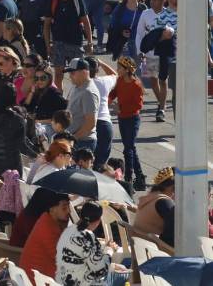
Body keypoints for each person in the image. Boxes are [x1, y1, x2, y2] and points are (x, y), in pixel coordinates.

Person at [55, 201, 123, 286]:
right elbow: (101, 272)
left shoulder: (68, 231)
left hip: (65, 280)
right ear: (98, 221)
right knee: (123, 276)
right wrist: (109, 250)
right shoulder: (88, 236)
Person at [44, 0, 94, 90]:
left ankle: (79, 98)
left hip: (75, 43)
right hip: (58, 44)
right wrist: (48, 45)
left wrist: (90, 42)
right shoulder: (53, 2)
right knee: (58, 75)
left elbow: (86, 22)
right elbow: (46, 25)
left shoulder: (78, 1)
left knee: (79, 75)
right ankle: (59, 100)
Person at [109, 55, 146, 190]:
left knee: (128, 149)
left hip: (132, 119)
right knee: (130, 147)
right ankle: (140, 177)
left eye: (119, 67)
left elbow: (138, 106)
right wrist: (108, 100)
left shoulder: (136, 85)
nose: (117, 69)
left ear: (127, 70)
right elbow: (114, 92)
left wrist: (120, 108)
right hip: (122, 118)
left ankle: (128, 178)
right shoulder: (119, 80)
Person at [18, 190, 71, 280]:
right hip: (35, 280)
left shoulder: (49, 219)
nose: (69, 211)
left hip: (40, 276)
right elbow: (62, 258)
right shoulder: (47, 226)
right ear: (52, 209)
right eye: (64, 208)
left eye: (68, 207)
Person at [133, 167, 175, 247]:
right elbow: (171, 236)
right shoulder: (164, 202)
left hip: (140, 246)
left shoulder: (152, 197)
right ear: (172, 187)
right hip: (153, 250)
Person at [64, 58, 99, 154]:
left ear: (84, 72)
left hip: (83, 142)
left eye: (72, 73)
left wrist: (73, 138)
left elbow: (90, 123)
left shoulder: (88, 92)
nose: (70, 76)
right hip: (76, 140)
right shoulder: (77, 86)